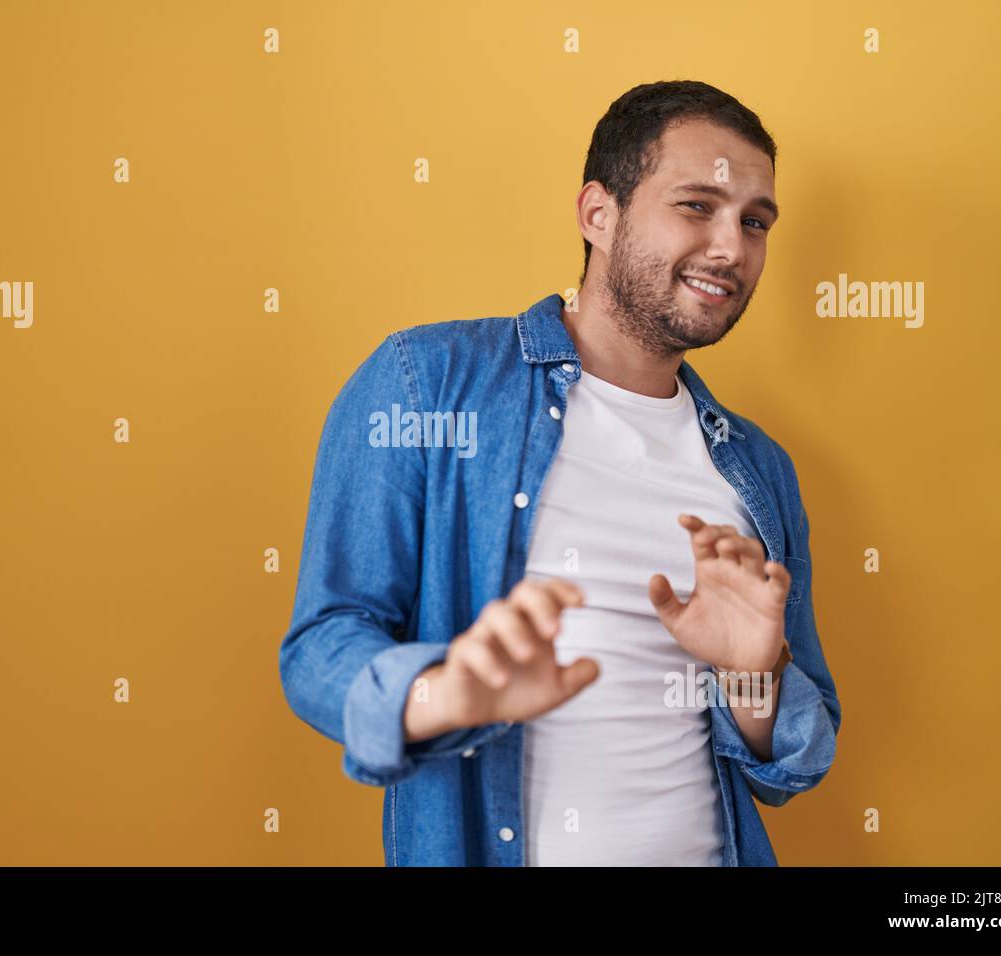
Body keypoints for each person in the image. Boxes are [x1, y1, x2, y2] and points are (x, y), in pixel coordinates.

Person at [279, 80, 841, 866]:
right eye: (696, 205)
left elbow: (789, 769)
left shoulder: (757, 469)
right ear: (597, 214)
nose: (731, 248)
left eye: (755, 222)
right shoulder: (426, 383)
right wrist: (446, 694)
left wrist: (753, 673)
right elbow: (318, 647)